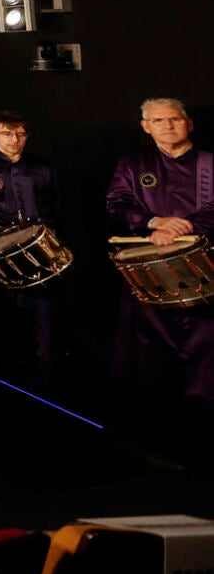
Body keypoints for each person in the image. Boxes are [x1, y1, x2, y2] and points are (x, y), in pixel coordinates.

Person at [105, 98, 214, 416]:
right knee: (150, 342)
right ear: (145, 127)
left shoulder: (210, 162)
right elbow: (116, 204)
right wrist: (154, 222)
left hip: (205, 266)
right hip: (150, 271)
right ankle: (156, 409)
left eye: (175, 119)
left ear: (189, 123)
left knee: (206, 342)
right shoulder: (132, 164)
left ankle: (204, 407)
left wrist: (186, 226)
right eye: (158, 121)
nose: (168, 126)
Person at [0, 110, 65, 386]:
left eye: (20, 133)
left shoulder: (44, 168)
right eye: (7, 132)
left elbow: (55, 207)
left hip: (37, 244)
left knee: (42, 307)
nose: (14, 139)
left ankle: (44, 369)